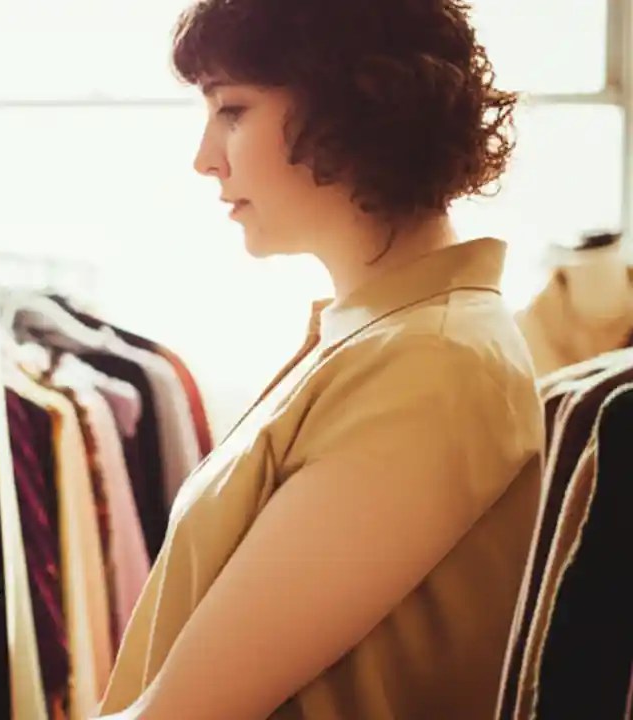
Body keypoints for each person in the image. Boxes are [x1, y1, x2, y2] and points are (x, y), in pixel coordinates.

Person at [97, 1, 544, 718]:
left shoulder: (431, 363)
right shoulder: (383, 337)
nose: (205, 157)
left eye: (232, 110)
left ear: (355, 107)